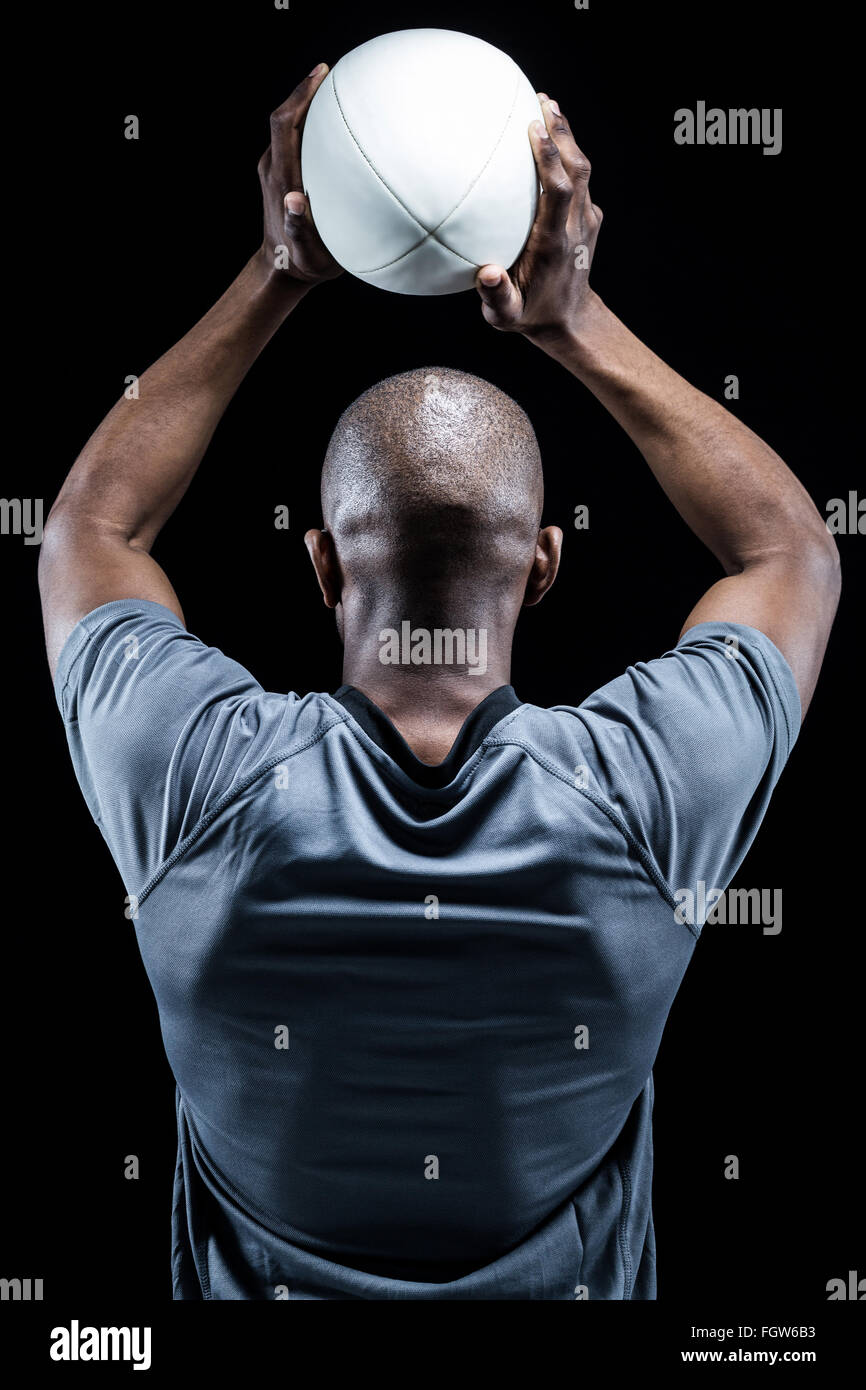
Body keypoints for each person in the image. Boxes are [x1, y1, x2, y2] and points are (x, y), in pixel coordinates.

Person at [38, 66, 840, 1300]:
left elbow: (92, 529)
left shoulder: (193, 773)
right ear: (544, 565)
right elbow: (788, 550)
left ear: (319, 565)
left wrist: (278, 269)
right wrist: (573, 320)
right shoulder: (646, 793)